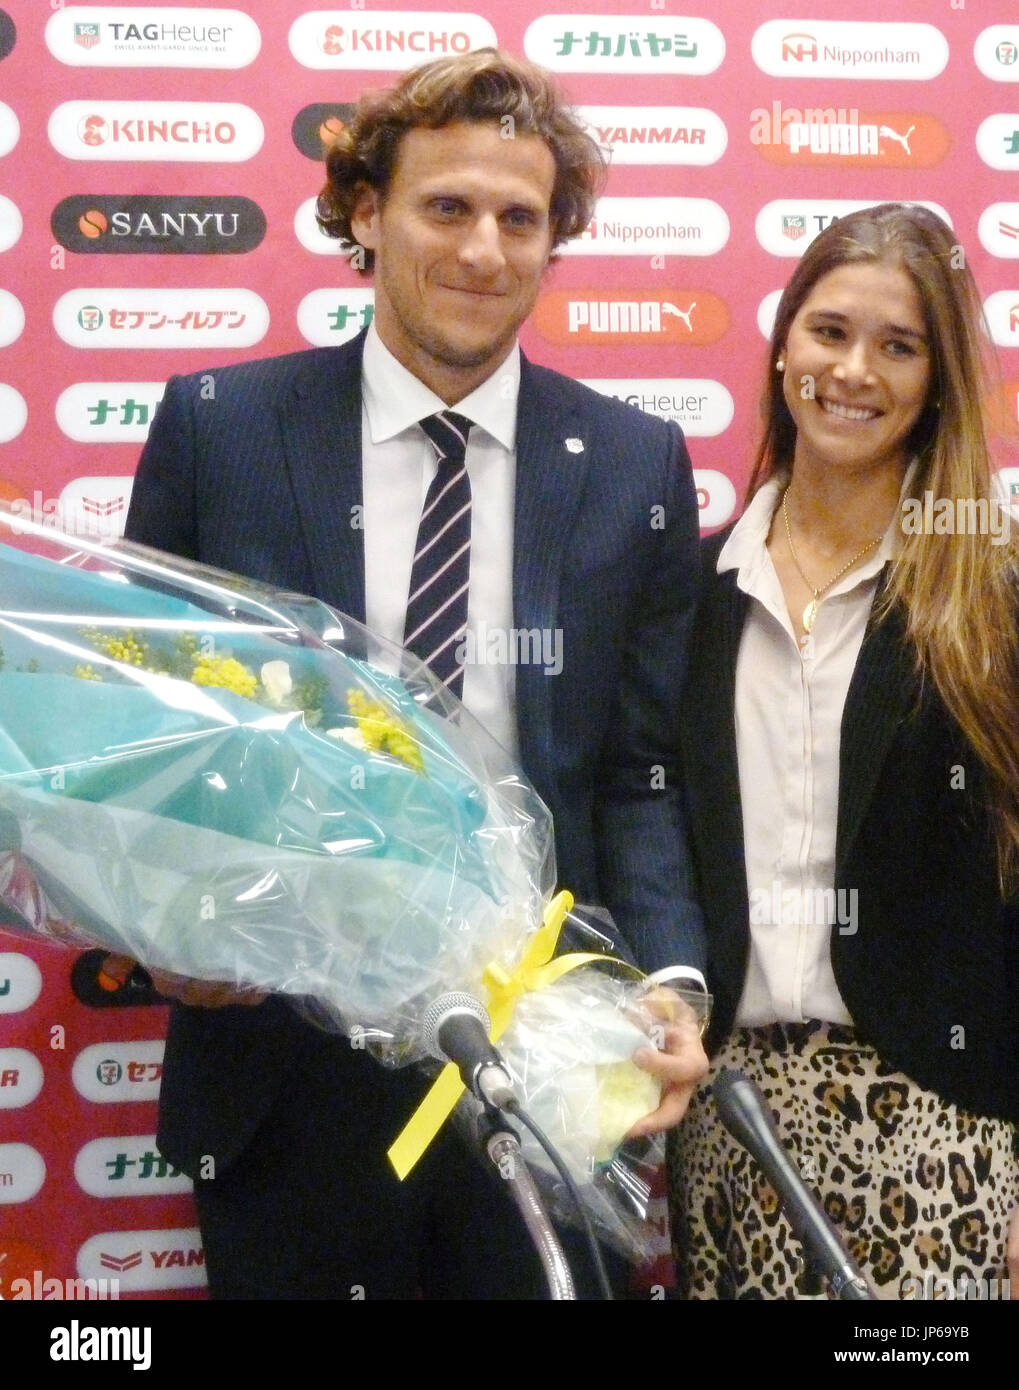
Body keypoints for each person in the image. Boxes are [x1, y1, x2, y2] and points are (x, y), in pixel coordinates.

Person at [118, 48, 708, 1299]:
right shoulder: (219, 427)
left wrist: (665, 978)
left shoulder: (632, 464)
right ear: (364, 212)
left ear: (557, 239)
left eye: (519, 216)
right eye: (446, 206)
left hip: (549, 1071)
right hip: (282, 1061)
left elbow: (638, 771)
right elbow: (142, 722)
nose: (483, 249)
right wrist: (155, 920)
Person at [670, 203, 1019, 1300]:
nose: (852, 369)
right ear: (781, 348)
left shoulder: (992, 599)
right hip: (727, 1130)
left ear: (935, 380)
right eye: (827, 331)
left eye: (897, 344)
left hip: (943, 1136)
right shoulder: (691, 592)